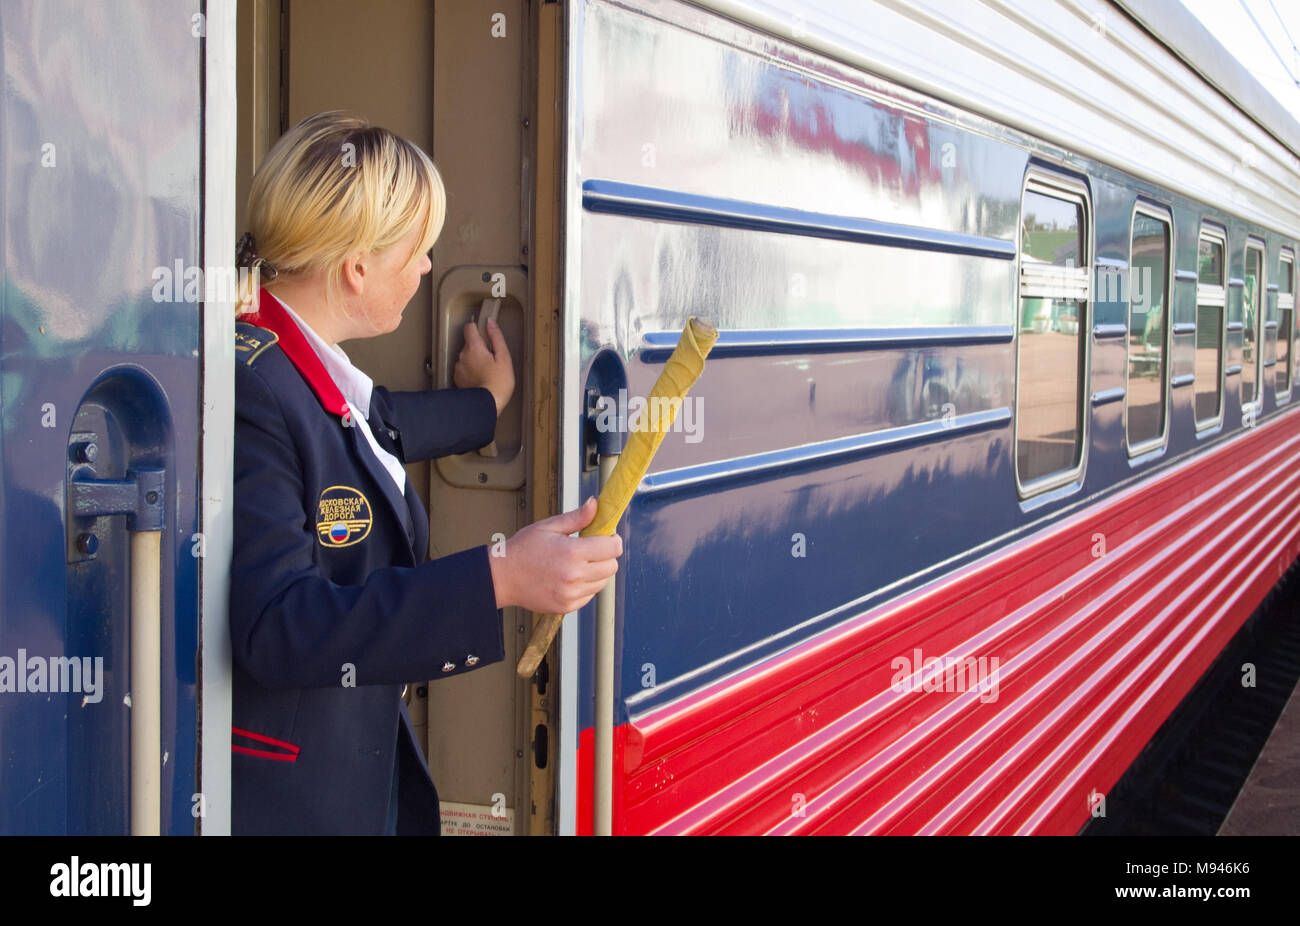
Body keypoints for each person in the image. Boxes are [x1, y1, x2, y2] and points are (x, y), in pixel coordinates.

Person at [228, 111, 621, 835]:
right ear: (358, 267)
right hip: (298, 805)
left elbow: (373, 426)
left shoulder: (285, 357)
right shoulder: (256, 388)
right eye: (419, 249)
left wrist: (486, 404)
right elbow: (277, 625)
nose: (428, 269)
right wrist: (501, 576)